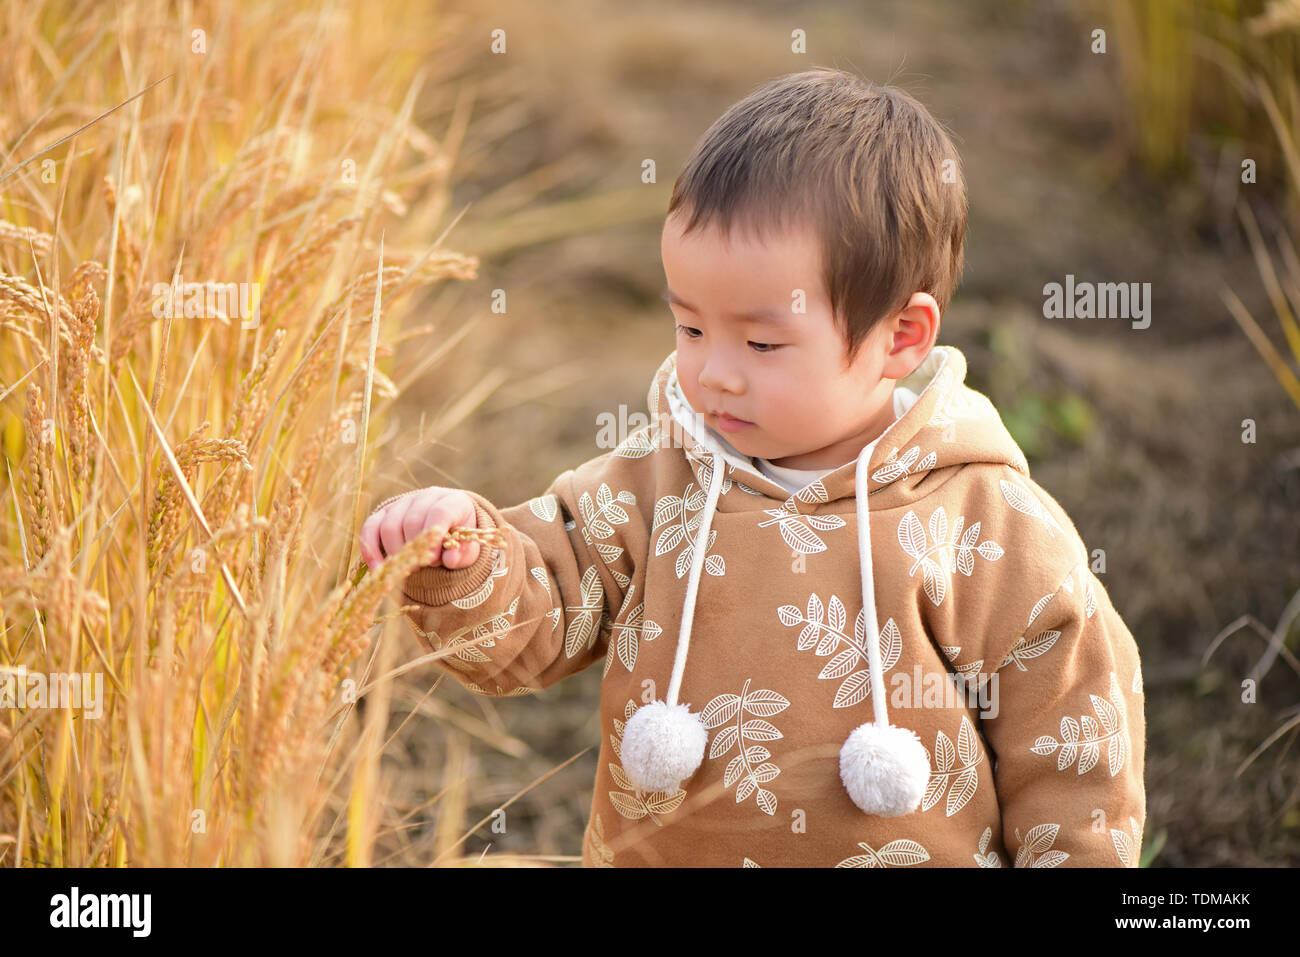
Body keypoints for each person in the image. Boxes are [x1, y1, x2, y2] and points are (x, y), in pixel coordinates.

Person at [361, 68, 1146, 867]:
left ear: (901, 337)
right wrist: (464, 560)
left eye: (762, 343)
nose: (714, 374)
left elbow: (1074, 748)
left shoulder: (989, 526)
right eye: (690, 328)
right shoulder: (651, 482)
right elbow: (539, 615)